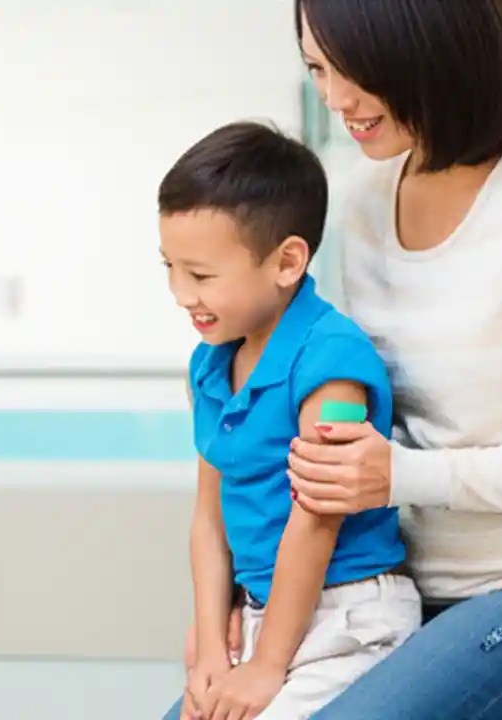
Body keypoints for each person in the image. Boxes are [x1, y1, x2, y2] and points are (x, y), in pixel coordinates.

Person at [285, 1, 502, 718]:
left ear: (430, 48)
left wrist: (405, 475)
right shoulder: (363, 202)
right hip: (406, 592)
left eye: (354, 70)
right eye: (318, 70)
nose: (336, 99)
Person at [159, 122, 422, 720]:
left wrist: (267, 666)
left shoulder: (331, 362)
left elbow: (317, 521)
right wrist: (209, 650)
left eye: (200, 275)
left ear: (287, 261)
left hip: (348, 617)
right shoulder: (209, 364)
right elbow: (209, 514)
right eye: (169, 267)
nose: (180, 293)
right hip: (259, 616)